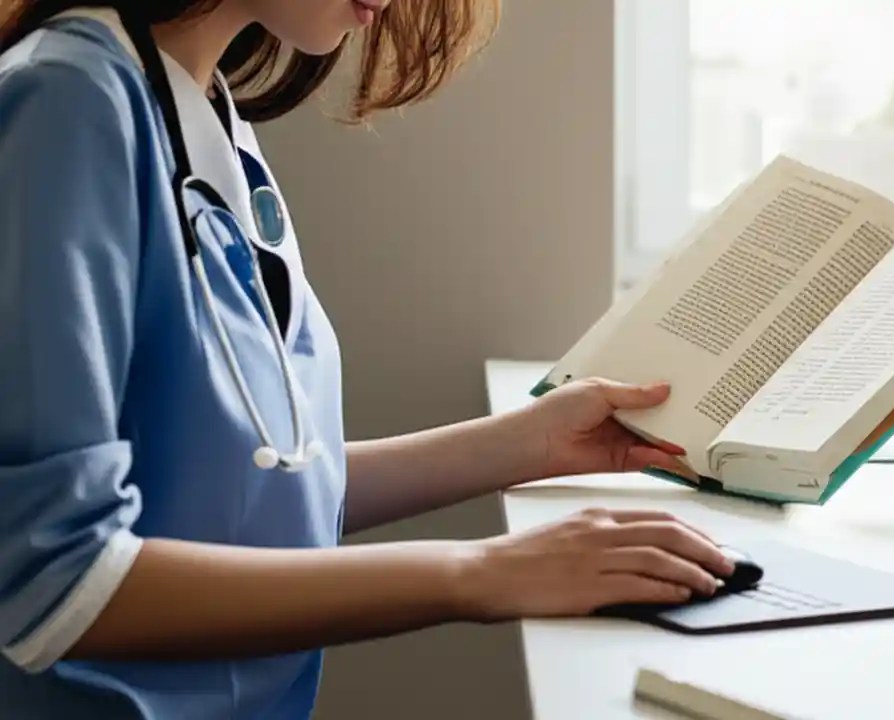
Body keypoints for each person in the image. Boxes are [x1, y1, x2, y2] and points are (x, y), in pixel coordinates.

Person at [0, 1, 734, 717]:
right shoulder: (66, 104)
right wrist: (478, 573)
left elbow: (268, 486)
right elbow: (55, 584)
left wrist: (528, 443)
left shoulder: (200, 107)